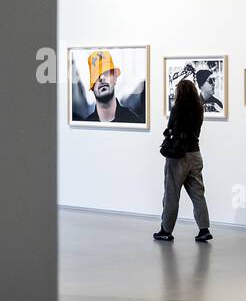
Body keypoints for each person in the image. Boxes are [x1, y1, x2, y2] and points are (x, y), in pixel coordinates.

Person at [155, 78, 212, 243]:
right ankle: (204, 230)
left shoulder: (178, 108)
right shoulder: (199, 108)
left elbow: (171, 128)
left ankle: (165, 230)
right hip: (195, 155)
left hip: (178, 156)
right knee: (198, 194)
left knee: (171, 194)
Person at [82, 50, 143, 124]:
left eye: (106, 72)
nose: (102, 78)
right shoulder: (85, 126)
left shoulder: (134, 122)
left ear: (115, 78)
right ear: (92, 87)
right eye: (96, 75)